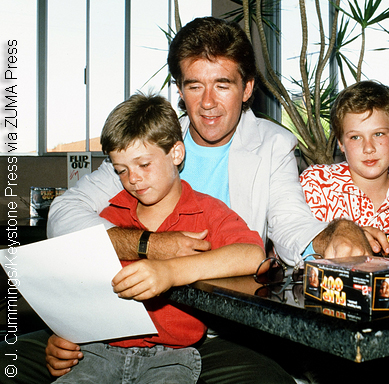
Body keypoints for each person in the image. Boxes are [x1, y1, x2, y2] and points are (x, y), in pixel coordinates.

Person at [3, 18, 389, 384]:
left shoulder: (273, 145)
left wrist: (328, 237)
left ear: (248, 88)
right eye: (193, 85)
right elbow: (64, 213)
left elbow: (290, 224)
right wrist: (148, 246)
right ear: (179, 89)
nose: (207, 102)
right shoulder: (148, 145)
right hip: (112, 328)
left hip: (212, 336)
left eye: (222, 84)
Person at [45, 92, 267, 383]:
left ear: (176, 153)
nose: (133, 179)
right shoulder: (111, 218)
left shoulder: (207, 212)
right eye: (122, 170)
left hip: (172, 357)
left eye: (143, 165)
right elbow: (77, 286)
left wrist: (170, 271)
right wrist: (63, 334)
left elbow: (253, 255)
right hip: (97, 352)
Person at [300, 80, 389, 236]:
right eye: (355, 137)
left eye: (378, 134)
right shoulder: (316, 186)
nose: (368, 148)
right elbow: (289, 246)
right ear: (341, 143)